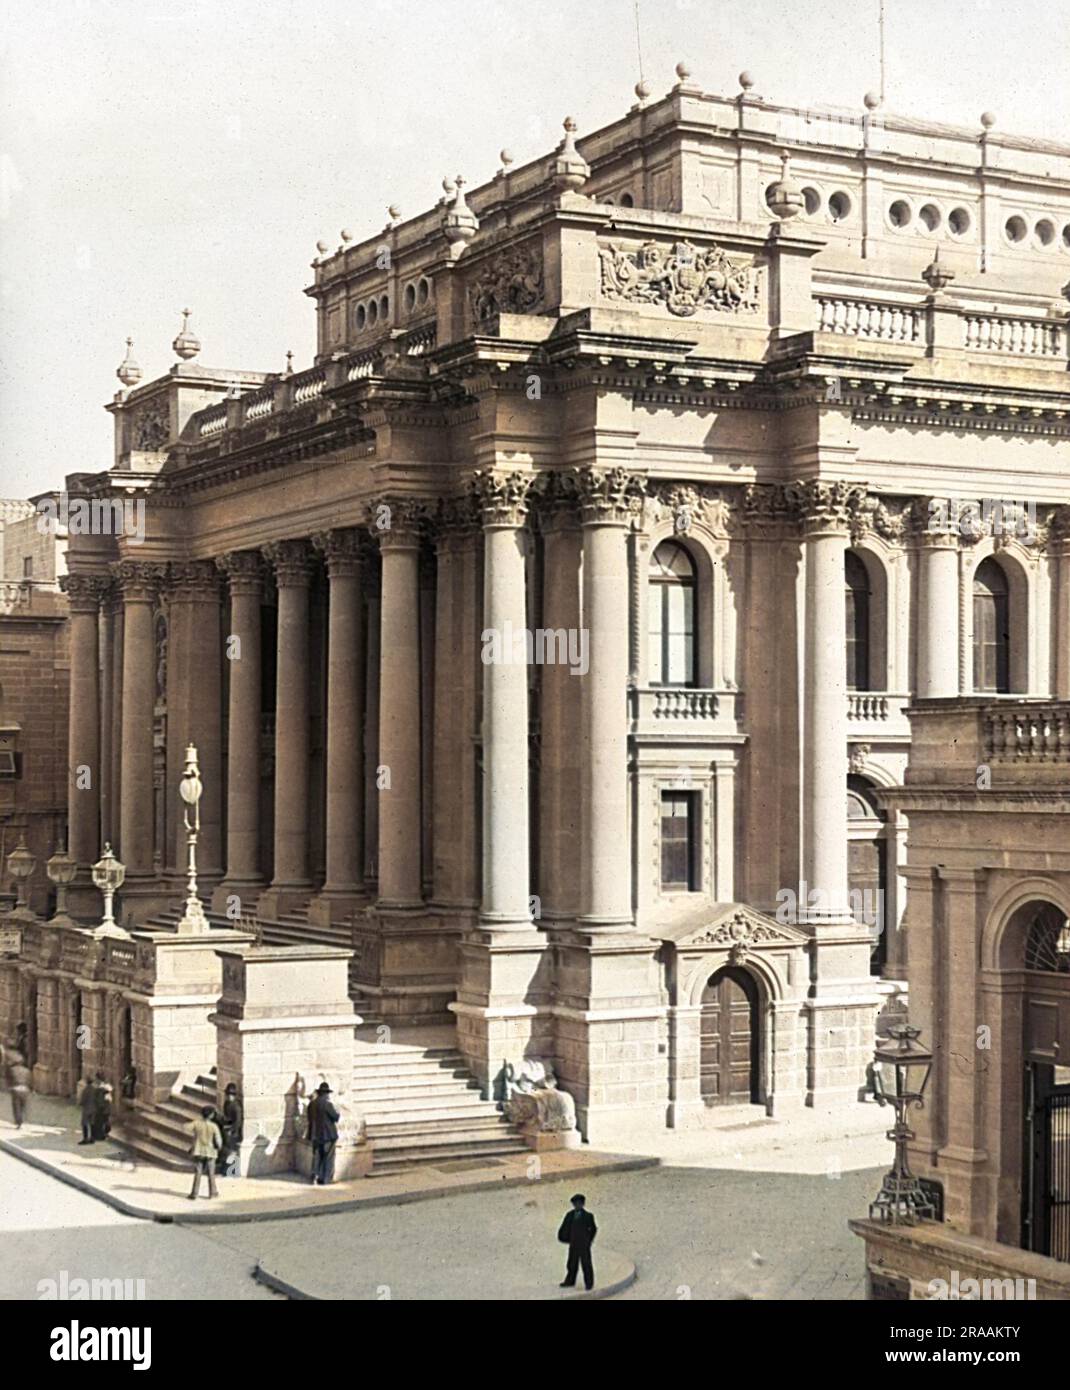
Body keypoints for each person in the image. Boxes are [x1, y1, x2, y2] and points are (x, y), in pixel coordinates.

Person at [557, 1193, 597, 1291]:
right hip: (573, 1244)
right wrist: (564, 1237)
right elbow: (564, 1227)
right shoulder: (570, 1215)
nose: (577, 1205)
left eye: (579, 1203)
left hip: (584, 1245)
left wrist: (589, 1240)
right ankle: (570, 1281)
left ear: (583, 1204)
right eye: (575, 1203)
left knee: (586, 1264)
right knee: (571, 1263)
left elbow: (593, 1229)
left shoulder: (588, 1216)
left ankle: (589, 1283)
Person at [306, 1080, 339, 1186]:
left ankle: (314, 1177)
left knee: (316, 1156)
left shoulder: (311, 1104)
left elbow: (309, 1119)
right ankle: (326, 1179)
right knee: (328, 1157)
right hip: (328, 1135)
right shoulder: (327, 1104)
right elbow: (335, 1117)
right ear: (326, 1094)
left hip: (315, 1135)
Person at [188, 1105, 223, 1200]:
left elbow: (186, 1127)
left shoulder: (197, 1124)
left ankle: (194, 1193)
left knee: (198, 1172)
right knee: (211, 1173)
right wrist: (219, 1148)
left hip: (199, 1151)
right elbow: (219, 1141)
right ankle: (212, 1193)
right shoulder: (214, 1126)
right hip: (210, 1152)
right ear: (211, 1115)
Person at [217, 1083, 243, 1177]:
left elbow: (238, 1121)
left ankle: (230, 1171)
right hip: (227, 1129)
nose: (229, 1096)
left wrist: (232, 1130)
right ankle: (225, 1170)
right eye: (228, 1094)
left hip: (233, 1132)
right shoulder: (227, 1103)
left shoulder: (236, 1107)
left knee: (232, 1152)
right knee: (226, 1152)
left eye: (231, 1095)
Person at [8, 1050, 31, 1129]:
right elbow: (29, 1081)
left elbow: (9, 1080)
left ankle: (18, 1121)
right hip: (25, 1089)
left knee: (16, 1106)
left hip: (16, 1089)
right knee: (23, 1105)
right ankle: (22, 1119)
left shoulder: (12, 1070)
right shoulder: (27, 1071)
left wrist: (10, 1087)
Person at [91, 1074, 112, 1141]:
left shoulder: (101, 1089)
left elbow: (101, 1100)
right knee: (102, 1121)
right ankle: (101, 1135)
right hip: (102, 1108)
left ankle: (101, 1135)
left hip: (101, 1109)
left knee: (100, 1122)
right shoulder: (103, 1088)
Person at [78, 1075, 97, 1144]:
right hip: (94, 1108)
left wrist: (80, 1103)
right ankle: (92, 1138)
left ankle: (85, 1139)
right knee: (92, 1124)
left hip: (87, 1109)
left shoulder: (85, 1090)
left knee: (84, 1124)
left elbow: (83, 1100)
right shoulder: (94, 1089)